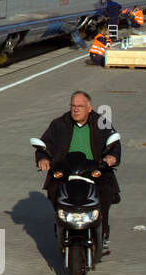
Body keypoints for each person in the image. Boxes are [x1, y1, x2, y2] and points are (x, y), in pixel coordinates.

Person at [33, 90, 122, 251]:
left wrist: (111, 157)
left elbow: (114, 143)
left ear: (89, 108)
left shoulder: (101, 123)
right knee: (54, 190)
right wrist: (43, 158)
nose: (75, 109)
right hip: (66, 169)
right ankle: (62, 224)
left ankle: (102, 231)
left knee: (105, 192)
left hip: (94, 170)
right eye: (73, 106)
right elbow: (45, 144)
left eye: (80, 106)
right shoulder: (59, 124)